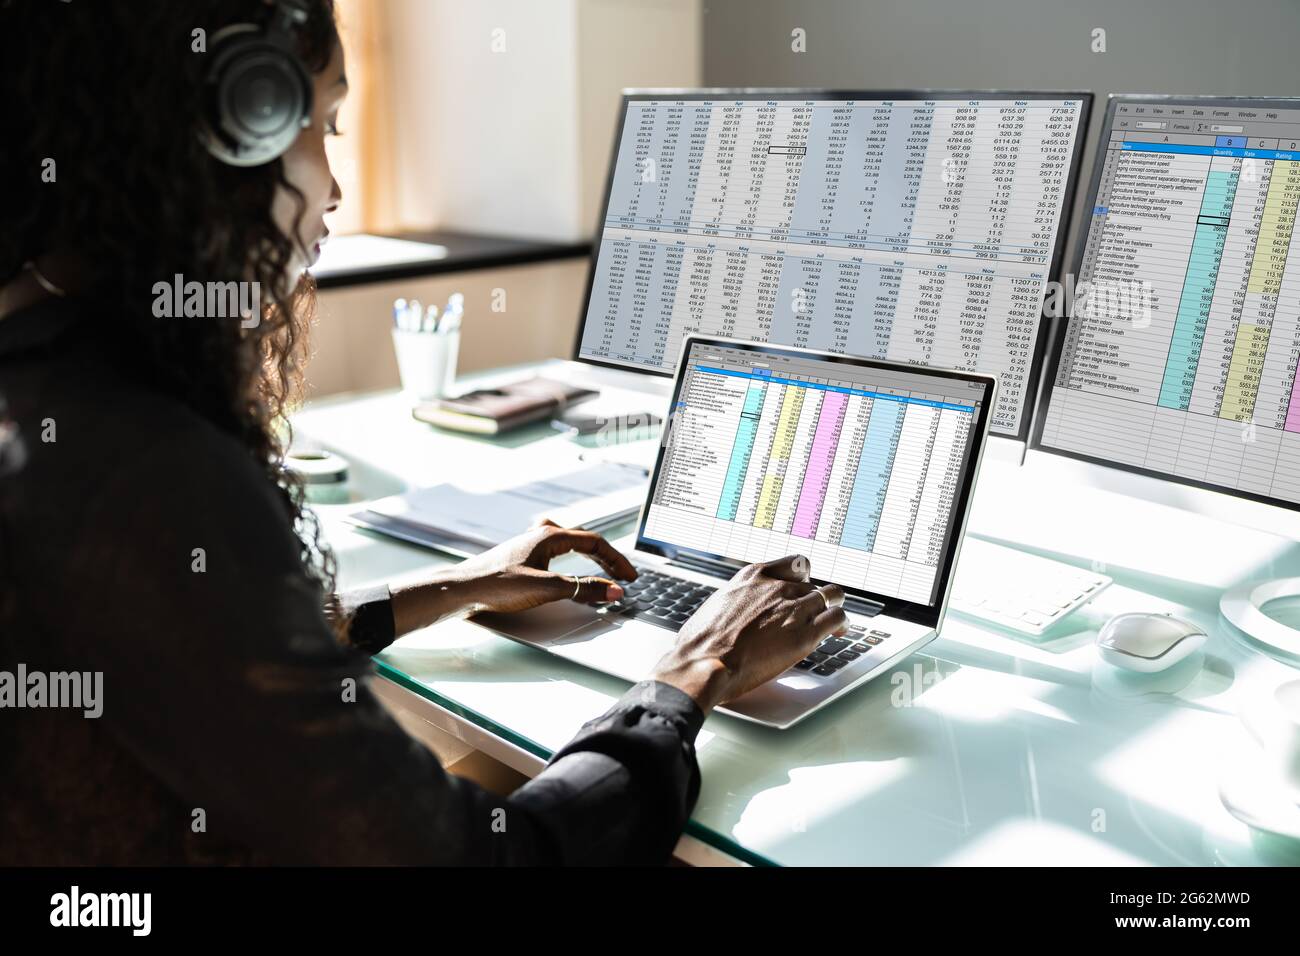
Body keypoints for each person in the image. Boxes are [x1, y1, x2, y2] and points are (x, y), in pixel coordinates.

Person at [0, 0, 847, 865]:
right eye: (324, 125)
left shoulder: (42, 383)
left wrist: (451, 589)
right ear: (227, 132)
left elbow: (196, 658)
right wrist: (693, 670)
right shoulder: (148, 473)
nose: (335, 188)